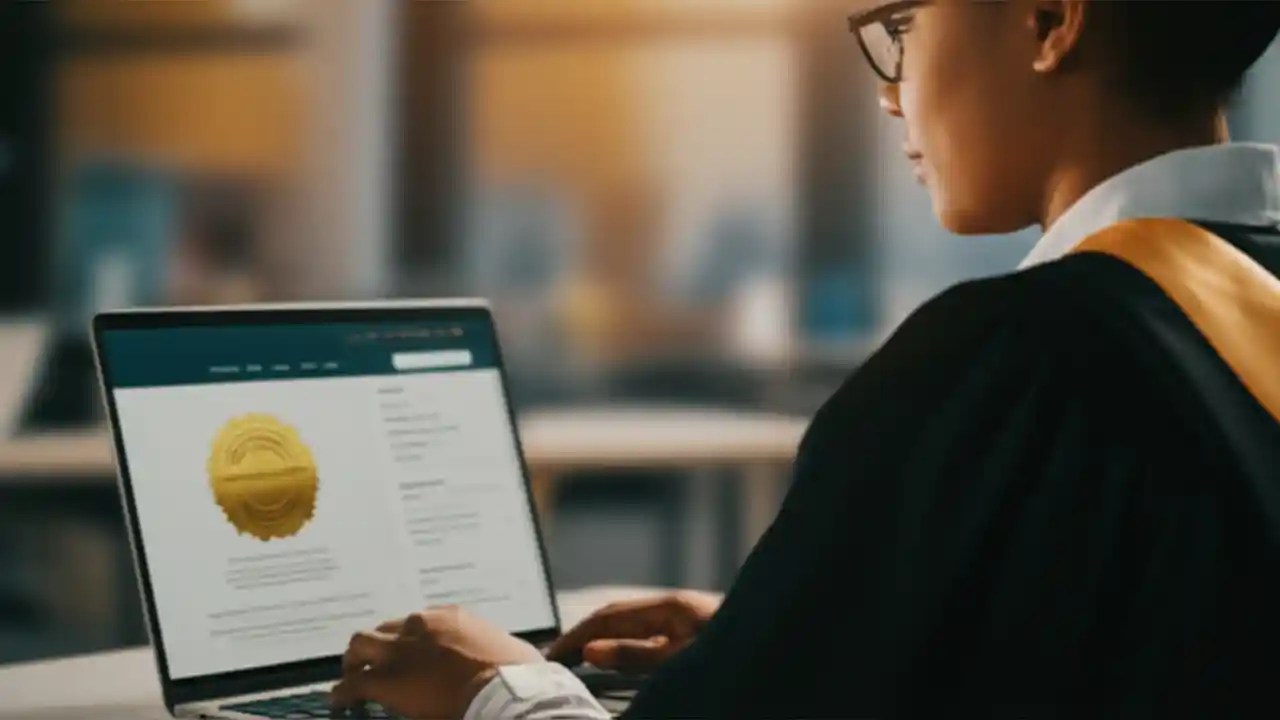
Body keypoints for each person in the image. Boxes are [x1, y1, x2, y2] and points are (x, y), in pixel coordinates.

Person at [330, 1, 1280, 717]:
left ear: (1049, 21)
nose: (888, 91)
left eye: (903, 26)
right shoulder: (1217, 316)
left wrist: (496, 690)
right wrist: (807, 633)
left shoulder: (1008, 359)